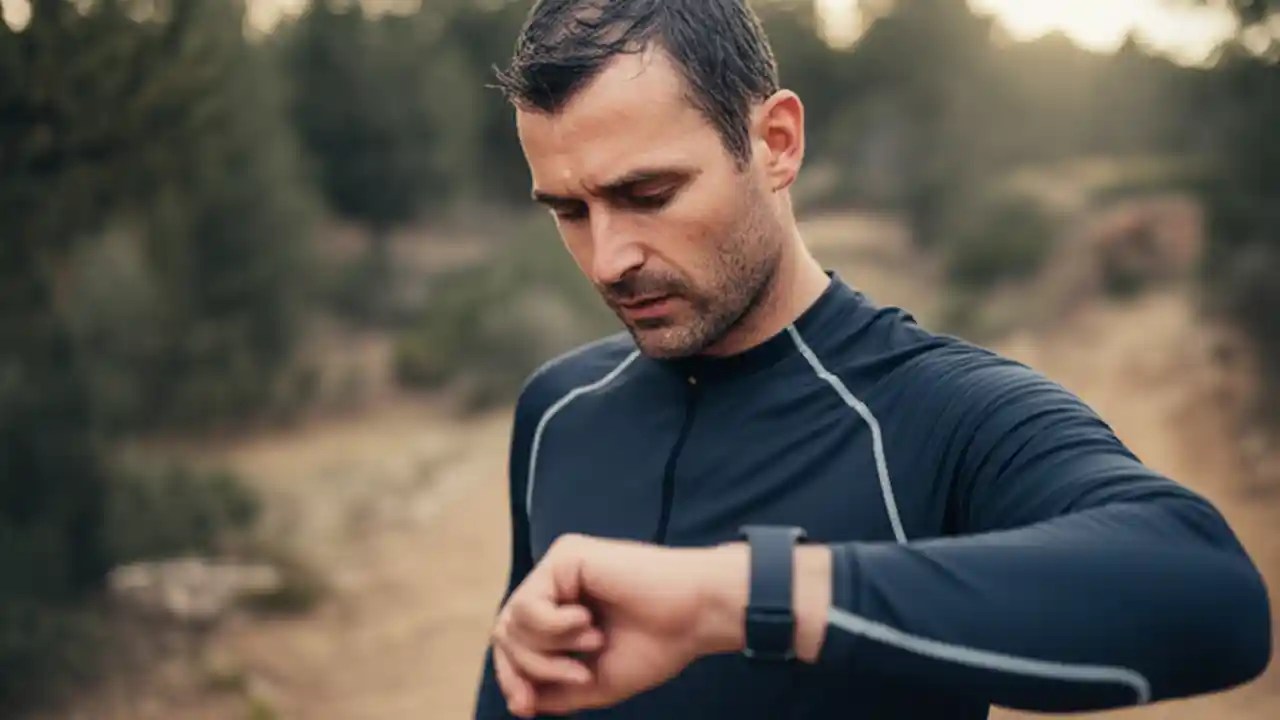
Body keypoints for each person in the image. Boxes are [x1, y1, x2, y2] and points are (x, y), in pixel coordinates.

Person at [472, 1, 1272, 718]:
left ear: (776, 144)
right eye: (569, 211)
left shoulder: (938, 413)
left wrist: (742, 597)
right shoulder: (558, 409)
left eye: (648, 195)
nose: (608, 259)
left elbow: (1211, 594)